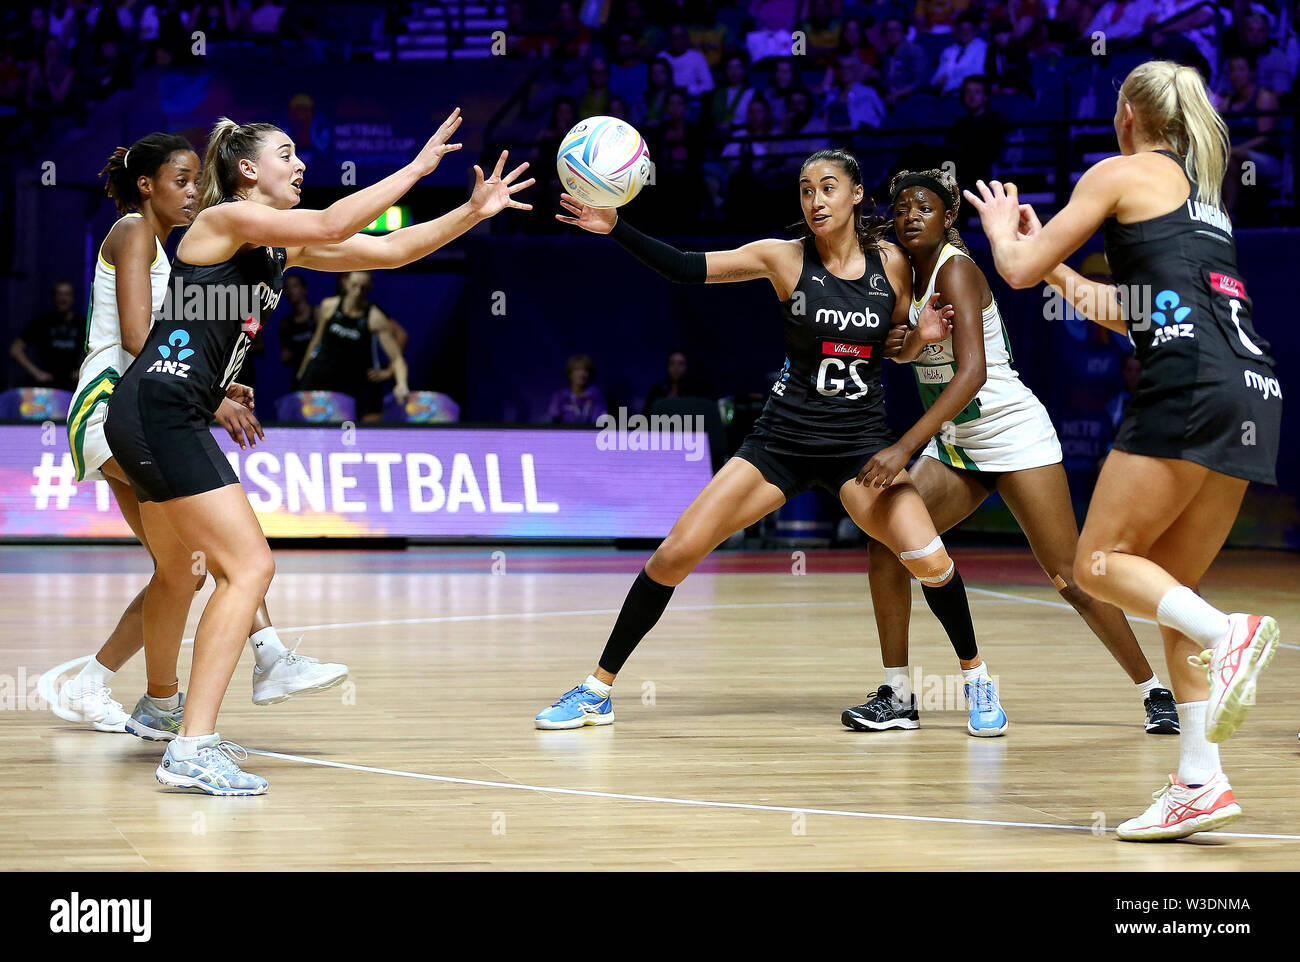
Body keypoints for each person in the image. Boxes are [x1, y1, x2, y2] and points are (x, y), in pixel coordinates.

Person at [104, 110, 533, 795]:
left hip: (163, 413)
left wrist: (471, 212)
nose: (300, 164)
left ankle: (163, 706)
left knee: (189, 569)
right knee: (249, 567)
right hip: (160, 410)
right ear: (248, 171)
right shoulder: (223, 220)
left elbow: (392, 252)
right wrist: (419, 169)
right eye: (287, 153)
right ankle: (192, 745)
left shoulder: (278, 247)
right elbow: (333, 222)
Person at [538, 148, 1014, 739]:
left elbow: (904, 338)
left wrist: (920, 336)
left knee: (929, 558)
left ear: (857, 195)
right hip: (781, 441)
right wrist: (616, 229)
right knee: (675, 552)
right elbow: (687, 267)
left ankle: (977, 679)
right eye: (806, 190)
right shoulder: (781, 258)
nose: (816, 200)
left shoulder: (892, 263)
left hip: (858, 445)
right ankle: (596, 690)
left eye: (829, 187)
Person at [965, 60, 1281, 840]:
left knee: (1097, 566)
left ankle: (1229, 634)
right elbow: (1131, 311)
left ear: (1128, 116)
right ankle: (1200, 782)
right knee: (1171, 589)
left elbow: (1012, 271)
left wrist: (1007, 232)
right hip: (1254, 390)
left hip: (1190, 386)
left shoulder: (1117, 171)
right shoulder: (1204, 202)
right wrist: (1064, 268)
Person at [842, 167, 1176, 737]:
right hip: (958, 446)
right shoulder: (905, 279)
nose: (910, 216)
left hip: (1013, 435)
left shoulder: (959, 272)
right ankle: (898, 696)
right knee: (888, 542)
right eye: (901, 209)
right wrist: (912, 341)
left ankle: (1155, 692)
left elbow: (970, 374)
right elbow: (899, 352)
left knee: (1071, 577)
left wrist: (903, 446)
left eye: (925, 207)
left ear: (950, 219)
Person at [55, 132, 346, 739]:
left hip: (141, 403)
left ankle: (118, 689)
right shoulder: (135, 231)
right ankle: (266, 655)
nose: (191, 194)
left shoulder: (179, 248)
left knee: (181, 569)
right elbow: (138, 337)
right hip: (111, 399)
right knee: (220, 558)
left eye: (195, 182)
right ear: (146, 186)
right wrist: (210, 398)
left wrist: (214, 383)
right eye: (179, 182)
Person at [297, 271, 409, 420]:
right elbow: (315, 342)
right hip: (325, 377)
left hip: (359, 381)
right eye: (354, 286)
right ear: (345, 283)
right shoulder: (329, 306)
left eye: (363, 287)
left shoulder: (375, 317)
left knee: (371, 433)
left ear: (369, 288)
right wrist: (302, 371)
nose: (358, 292)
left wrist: (400, 383)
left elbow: (397, 358)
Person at [10, 280, 82, 391]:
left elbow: (97, 350)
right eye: (60, 294)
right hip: (46, 386)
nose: (63, 299)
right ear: (54, 297)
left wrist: (83, 371)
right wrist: (37, 373)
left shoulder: (81, 324)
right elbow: (15, 349)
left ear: (73, 298)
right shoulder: (42, 323)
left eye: (67, 294)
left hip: (72, 387)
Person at [277, 273, 315, 388]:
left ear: (304, 289)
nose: (290, 291)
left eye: (295, 286)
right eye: (287, 287)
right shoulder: (285, 324)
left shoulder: (318, 315)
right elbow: (285, 356)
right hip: (299, 380)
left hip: (321, 378)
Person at [644, 349, 710, 413]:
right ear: (667, 366)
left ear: (686, 367)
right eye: (672, 363)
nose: (676, 367)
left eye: (681, 363)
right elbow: (646, 417)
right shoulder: (656, 392)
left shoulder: (697, 392)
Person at [546, 354, 606, 424]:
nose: (582, 374)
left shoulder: (597, 396)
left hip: (591, 434)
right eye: (577, 369)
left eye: (585, 370)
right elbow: (554, 422)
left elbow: (600, 423)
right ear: (570, 373)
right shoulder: (560, 397)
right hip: (565, 434)